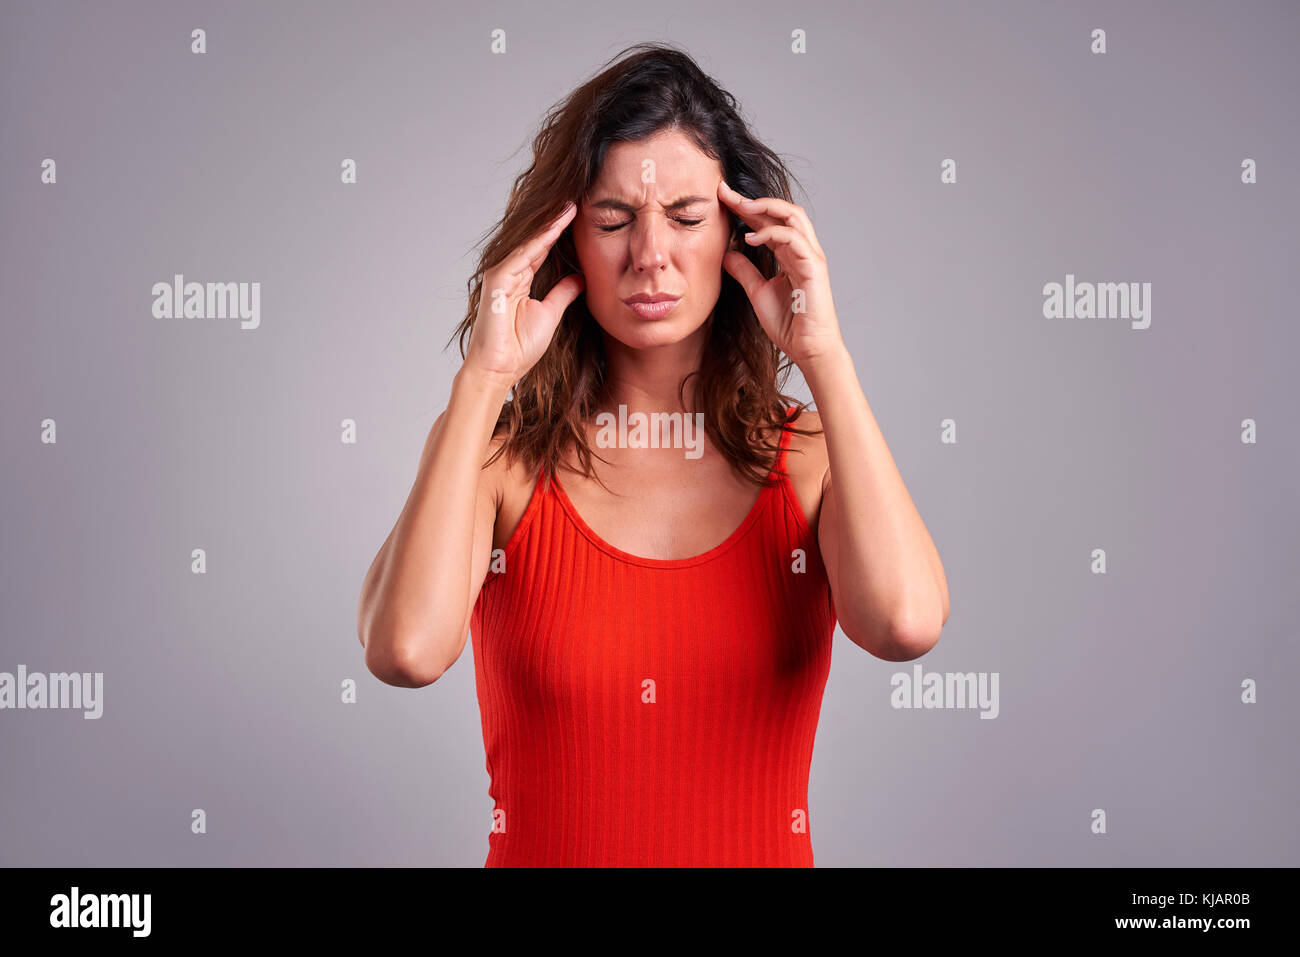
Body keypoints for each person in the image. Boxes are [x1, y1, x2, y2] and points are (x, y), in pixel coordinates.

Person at [357, 42, 949, 867]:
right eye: (613, 220)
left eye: (684, 216)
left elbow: (905, 624)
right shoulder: (497, 458)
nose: (649, 255)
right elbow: (405, 651)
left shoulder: (807, 455)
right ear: (566, 243)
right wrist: (483, 377)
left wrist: (826, 357)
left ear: (738, 234)